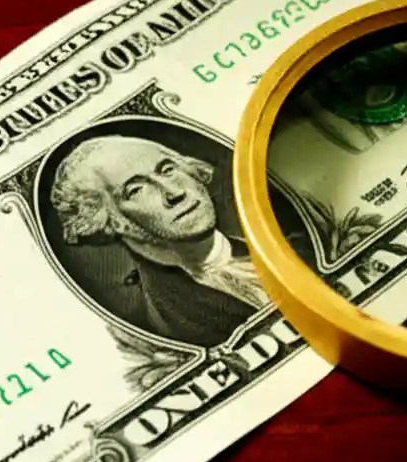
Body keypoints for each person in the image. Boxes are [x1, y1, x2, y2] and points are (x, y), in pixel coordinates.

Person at [50, 134, 271, 346]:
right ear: (110, 220)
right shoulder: (166, 323)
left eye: (168, 170)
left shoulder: (291, 241)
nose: (174, 192)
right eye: (137, 190)